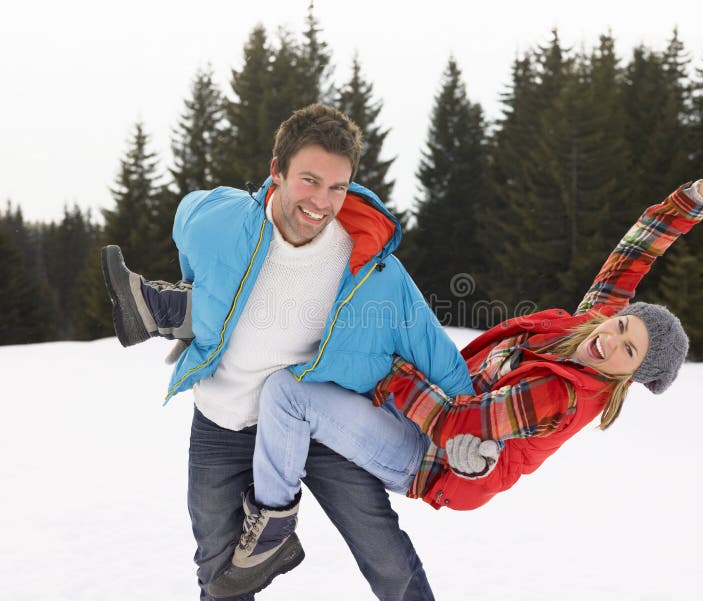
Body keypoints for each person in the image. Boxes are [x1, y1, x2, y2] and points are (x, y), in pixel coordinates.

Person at [198, 148, 703, 597]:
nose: (610, 341)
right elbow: (633, 253)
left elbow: (457, 422)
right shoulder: (590, 330)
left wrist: (388, 374)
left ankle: (270, 529)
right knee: (365, 332)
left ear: (630, 378)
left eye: (628, 351)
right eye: (620, 327)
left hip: (429, 455)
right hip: (429, 413)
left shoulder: (562, 392)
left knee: (288, 392)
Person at [101, 103, 475, 601]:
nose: (322, 201)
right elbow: (189, 228)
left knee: (383, 551)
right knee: (221, 574)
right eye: (309, 181)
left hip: (315, 422)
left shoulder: (368, 265)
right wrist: (198, 307)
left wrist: (474, 427)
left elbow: (434, 350)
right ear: (276, 171)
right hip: (223, 423)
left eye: (337, 187)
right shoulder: (223, 221)